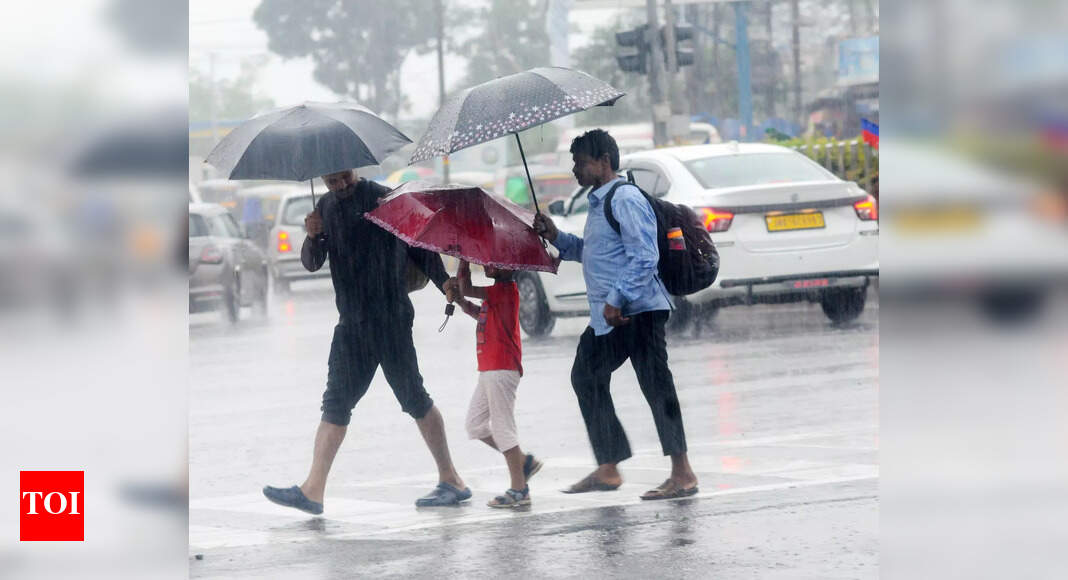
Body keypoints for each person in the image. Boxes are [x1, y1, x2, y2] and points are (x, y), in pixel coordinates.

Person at [263, 169, 470, 513]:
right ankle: (313, 491)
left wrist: (444, 282)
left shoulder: (386, 198)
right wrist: (313, 237)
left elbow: (419, 246)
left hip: (390, 318)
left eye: (344, 178)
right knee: (335, 403)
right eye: (332, 181)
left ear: (355, 169)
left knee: (414, 397)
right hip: (352, 324)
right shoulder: (324, 209)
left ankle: (451, 479)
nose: (340, 186)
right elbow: (312, 264)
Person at [532, 130, 699, 500]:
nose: (575, 170)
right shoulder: (599, 201)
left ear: (604, 161)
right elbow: (592, 252)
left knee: (656, 388)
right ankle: (608, 467)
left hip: (637, 311)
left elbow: (645, 256)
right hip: (611, 314)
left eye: (581, 162)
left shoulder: (623, 198)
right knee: (586, 376)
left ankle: (682, 473)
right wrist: (556, 235)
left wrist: (618, 297)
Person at [444, 260, 543, 508]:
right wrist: (459, 300)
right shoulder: (496, 296)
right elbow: (480, 314)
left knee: (502, 428)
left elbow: (466, 288)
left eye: (498, 263)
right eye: (489, 261)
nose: (490, 265)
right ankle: (522, 461)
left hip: (501, 367)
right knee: (475, 425)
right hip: (489, 368)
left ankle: (519, 489)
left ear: (512, 268)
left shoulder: (506, 289)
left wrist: (463, 261)